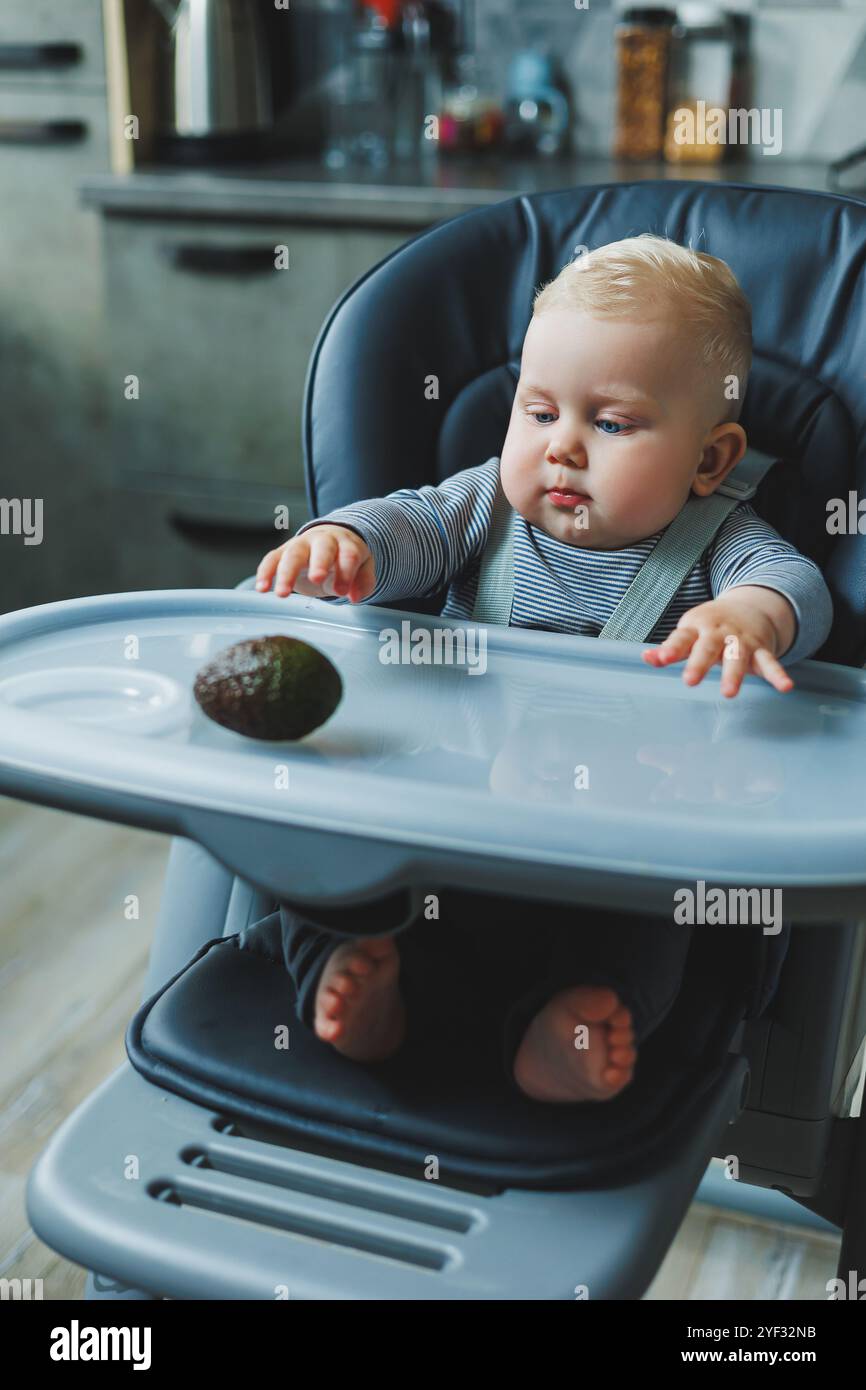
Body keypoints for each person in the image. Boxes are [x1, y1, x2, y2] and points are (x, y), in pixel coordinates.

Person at [251, 234, 832, 1103]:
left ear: (710, 459)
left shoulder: (718, 544)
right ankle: (355, 982)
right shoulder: (482, 508)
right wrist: (347, 545)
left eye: (611, 422)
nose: (562, 447)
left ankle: (569, 1028)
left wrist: (748, 617)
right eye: (538, 411)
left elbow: (796, 585)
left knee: (658, 921)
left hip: (609, 851)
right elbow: (407, 527)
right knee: (316, 859)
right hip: (442, 825)